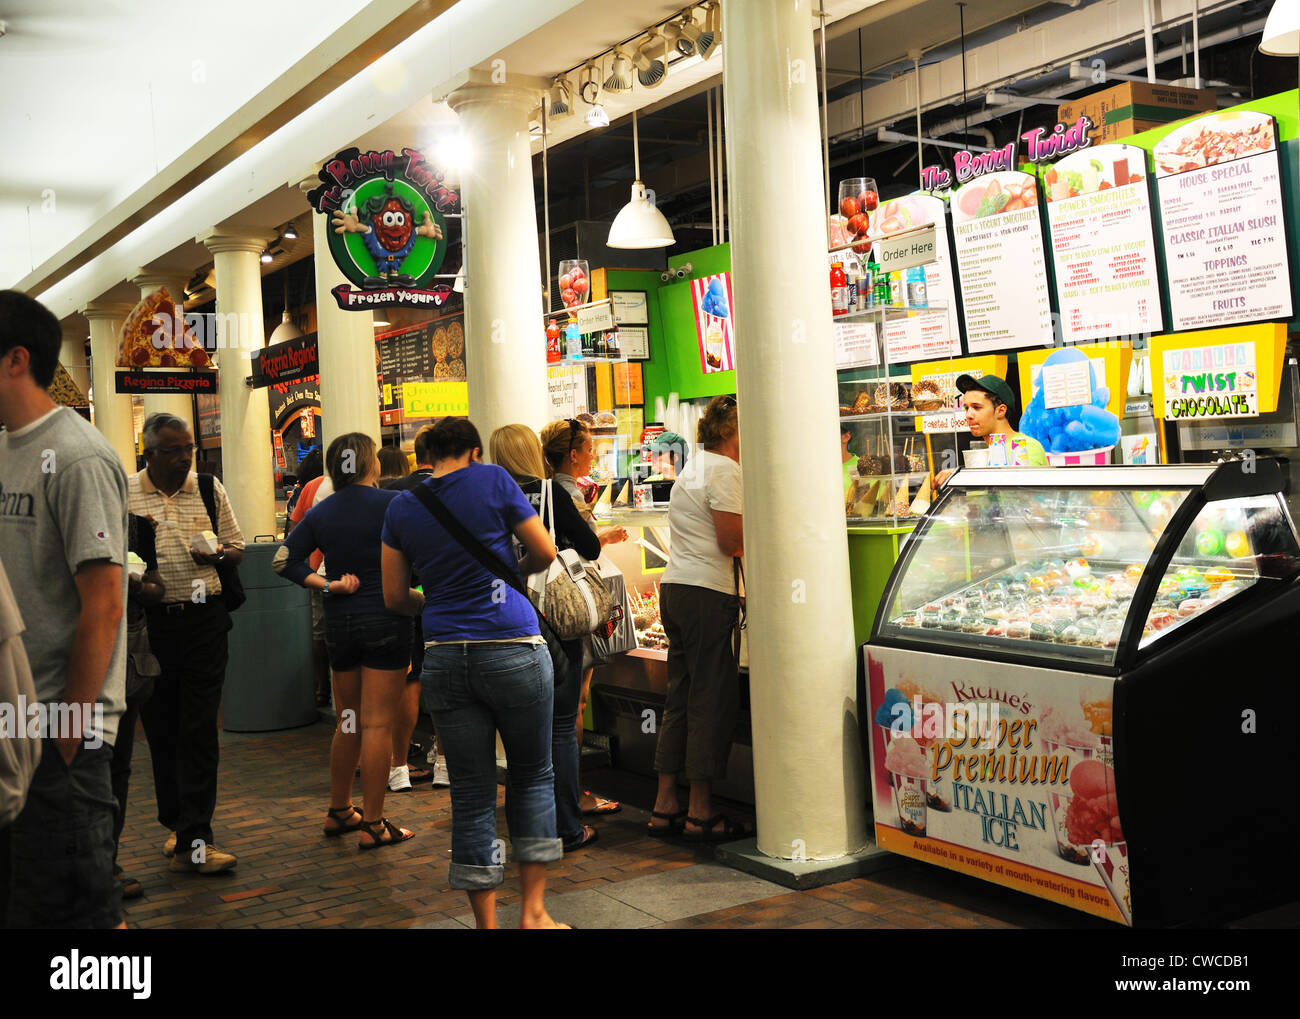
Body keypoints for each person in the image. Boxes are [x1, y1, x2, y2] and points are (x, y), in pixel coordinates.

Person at [381, 418, 567, 929]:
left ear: (428, 456)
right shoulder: (493, 481)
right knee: (531, 776)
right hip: (513, 648)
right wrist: (508, 575)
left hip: (444, 656)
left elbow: (396, 597)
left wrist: (436, 601)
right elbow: (545, 551)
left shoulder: (401, 506)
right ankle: (533, 915)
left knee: (471, 791)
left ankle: (488, 925)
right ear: (475, 452)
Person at [0, 289, 128, 928]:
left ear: (14, 360)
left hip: (58, 735)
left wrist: (68, 737)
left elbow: (104, 604)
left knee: (76, 921)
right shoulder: (7, 448)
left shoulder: (76, 454)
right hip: (14, 726)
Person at [279, 433, 416, 848]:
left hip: (342, 624)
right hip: (387, 621)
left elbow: (282, 560)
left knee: (349, 719)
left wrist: (327, 585)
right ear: (372, 465)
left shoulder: (323, 511)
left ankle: (340, 809)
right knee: (377, 723)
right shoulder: (394, 505)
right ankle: (374, 823)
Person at [131, 412, 244, 875]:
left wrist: (217, 553)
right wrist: (138, 579)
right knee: (162, 729)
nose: (183, 458)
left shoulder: (208, 488)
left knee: (198, 728)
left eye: (188, 449)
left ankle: (198, 837)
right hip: (153, 629)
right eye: (173, 450)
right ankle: (177, 822)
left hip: (205, 622)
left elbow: (236, 547)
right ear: (149, 452)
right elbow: (113, 556)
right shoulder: (126, 492)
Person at [490, 423, 601, 852]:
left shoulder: (486, 498)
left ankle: (526, 831)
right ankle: (568, 827)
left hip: (506, 622)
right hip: (554, 619)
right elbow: (590, 547)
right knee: (559, 726)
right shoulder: (548, 492)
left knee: (521, 736)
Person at [649, 395, 750, 842]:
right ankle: (700, 812)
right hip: (707, 593)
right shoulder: (726, 470)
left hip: (675, 588)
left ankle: (664, 803)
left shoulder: (693, 466)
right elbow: (731, 542)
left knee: (682, 696)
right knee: (711, 698)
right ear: (730, 432)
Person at [539, 418, 627, 818]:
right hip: (574, 610)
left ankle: (562, 795)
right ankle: (573, 797)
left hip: (546, 610)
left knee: (564, 706)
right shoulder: (567, 492)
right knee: (573, 705)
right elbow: (587, 546)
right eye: (589, 447)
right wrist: (603, 537)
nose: (594, 454)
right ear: (572, 454)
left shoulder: (543, 491)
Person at [383, 424, 444, 788]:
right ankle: (445, 765)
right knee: (441, 677)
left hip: (402, 594)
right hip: (442, 594)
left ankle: (398, 768)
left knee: (410, 679)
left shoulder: (391, 493)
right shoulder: (453, 490)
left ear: (415, 456)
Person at [112, 513, 165, 900]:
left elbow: (156, 588)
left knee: (116, 768)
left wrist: (136, 585)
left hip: (125, 661)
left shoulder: (135, 528)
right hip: (62, 667)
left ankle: (106, 863)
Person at [289, 467, 334, 707]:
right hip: (352, 578)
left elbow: (294, 532)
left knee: (319, 632)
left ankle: (323, 689)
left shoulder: (312, 486)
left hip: (319, 574)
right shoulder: (369, 488)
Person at [956, 374, 1047, 466]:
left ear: (1001, 411)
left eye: (977, 407)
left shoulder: (1025, 447)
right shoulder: (985, 452)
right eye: (966, 408)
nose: (968, 415)